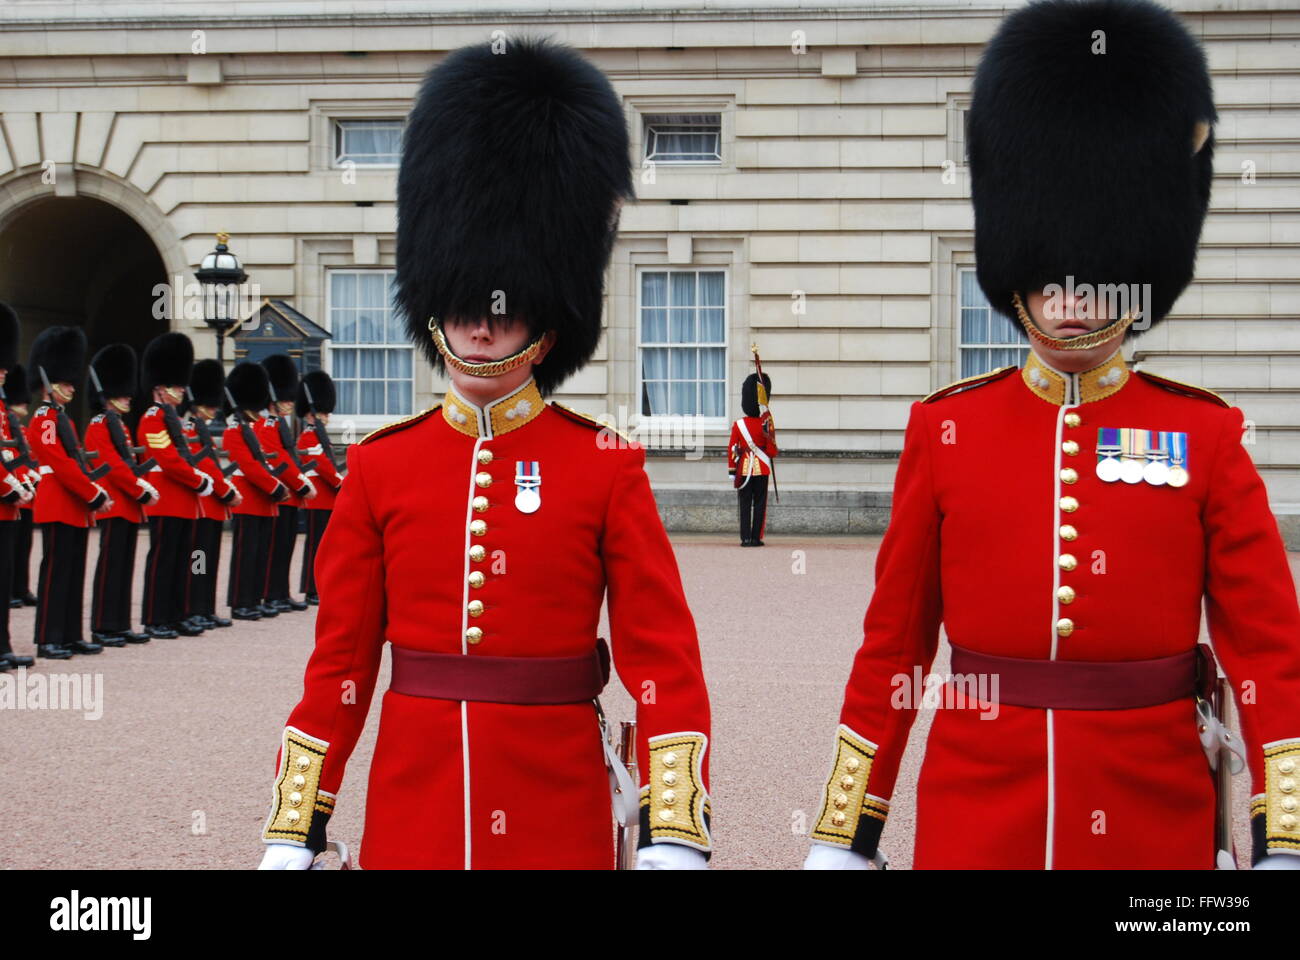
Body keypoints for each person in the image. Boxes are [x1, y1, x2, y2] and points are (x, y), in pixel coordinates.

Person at [804, 0, 1300, 871]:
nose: (1072, 297)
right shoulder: (946, 430)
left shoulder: (1206, 435)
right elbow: (895, 649)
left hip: (1153, 827)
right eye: (1052, 271)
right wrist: (848, 831)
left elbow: (1270, 657)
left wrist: (1284, 835)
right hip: (977, 822)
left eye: (1100, 273)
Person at [258, 37, 712, 870]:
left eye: (502, 308)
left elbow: (663, 664)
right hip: (415, 810)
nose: (480, 324)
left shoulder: (604, 465)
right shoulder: (381, 467)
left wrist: (672, 826)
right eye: (462, 301)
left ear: (549, 316)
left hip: (556, 808)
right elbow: (341, 669)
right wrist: (296, 823)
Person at [136, 332, 235, 639]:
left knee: (181, 562)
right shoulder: (152, 419)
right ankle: (155, 618)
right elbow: (167, 459)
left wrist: (201, 482)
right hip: (167, 499)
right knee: (163, 561)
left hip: (185, 500)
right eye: (176, 386)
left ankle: (177, 615)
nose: (181, 390)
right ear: (159, 388)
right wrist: (202, 481)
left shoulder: (175, 421)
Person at [28, 326, 111, 659]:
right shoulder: (45, 420)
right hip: (58, 503)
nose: (71, 388)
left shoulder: (63, 420)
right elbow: (59, 464)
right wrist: (93, 493)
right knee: (56, 573)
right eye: (65, 383)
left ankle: (70, 634)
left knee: (74, 572)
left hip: (74, 505)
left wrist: (89, 493)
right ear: (50, 384)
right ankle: (49, 637)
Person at [85, 343, 157, 647]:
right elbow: (111, 465)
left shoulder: (121, 426)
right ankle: (103, 625)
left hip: (127, 504)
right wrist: (139, 487)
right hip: (115, 503)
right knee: (111, 565)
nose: (129, 396)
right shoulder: (100, 424)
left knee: (124, 565)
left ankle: (120, 623)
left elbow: (126, 460)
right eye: (123, 392)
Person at [223, 362, 292, 621]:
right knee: (245, 554)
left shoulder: (255, 428)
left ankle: (255, 598)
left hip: (263, 500)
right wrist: (275, 487)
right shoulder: (234, 430)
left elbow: (264, 461)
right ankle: (241, 602)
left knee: (260, 553)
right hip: (249, 500)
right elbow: (248, 466)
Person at [184, 359, 239, 630]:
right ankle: (194, 607)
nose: (213, 409)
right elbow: (202, 464)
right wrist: (225, 489)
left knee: (209, 558)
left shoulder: (201, 427)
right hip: (204, 502)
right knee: (199, 559)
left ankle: (205, 608)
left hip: (213, 504)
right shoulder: (190, 429)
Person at [257, 354, 314, 613]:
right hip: (280, 494)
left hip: (290, 495)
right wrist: (299, 481)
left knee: (285, 547)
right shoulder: (267, 425)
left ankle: (281, 592)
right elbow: (278, 459)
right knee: (274, 548)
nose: (290, 403)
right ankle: (270, 593)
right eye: (286, 398)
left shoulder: (280, 423)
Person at [0, 305, 34, 669]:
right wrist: (9, 486)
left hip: (7, 505)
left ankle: (3, 644)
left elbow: (9, 455)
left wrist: (22, 479)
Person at [295, 369, 342, 605]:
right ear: (311, 414)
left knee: (326, 548)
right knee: (315, 546)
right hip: (318, 498)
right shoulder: (307, 437)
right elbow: (322, 467)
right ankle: (310, 588)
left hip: (328, 498)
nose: (326, 417)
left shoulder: (320, 436)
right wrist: (341, 483)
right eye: (322, 413)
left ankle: (320, 586)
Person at [728, 372, 777, 546]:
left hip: (743, 469)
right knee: (760, 504)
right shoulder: (766, 423)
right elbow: (772, 451)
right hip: (762, 468)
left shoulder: (738, 425)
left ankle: (745, 538)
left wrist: (732, 470)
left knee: (745, 504)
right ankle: (756, 537)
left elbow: (733, 449)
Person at [6, 364, 39, 610]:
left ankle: (20, 586)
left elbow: (31, 456)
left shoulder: (23, 430)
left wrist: (32, 477)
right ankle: (10, 589)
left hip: (26, 492)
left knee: (24, 543)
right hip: (11, 488)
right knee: (11, 544)